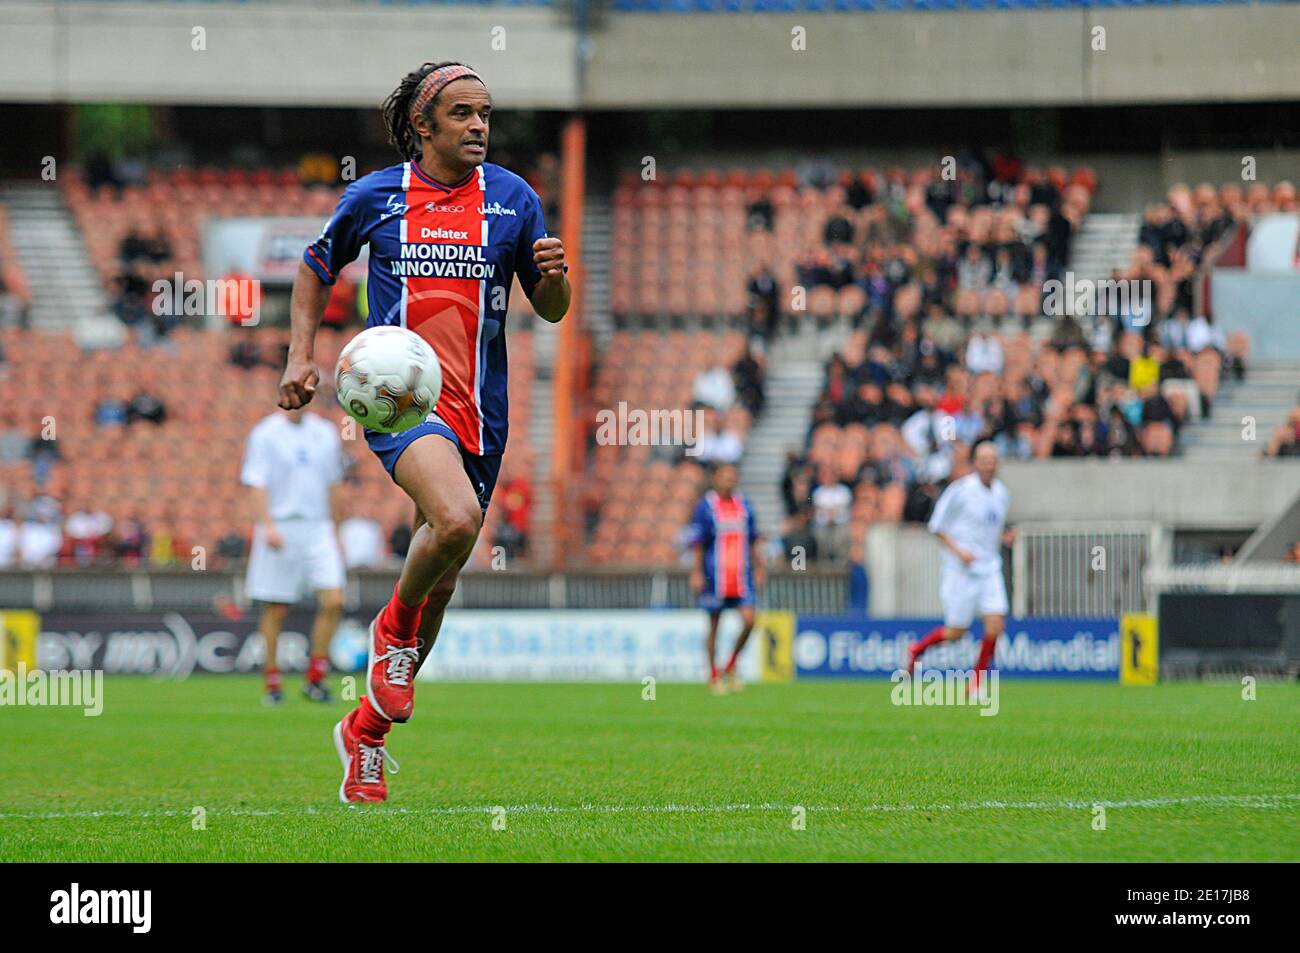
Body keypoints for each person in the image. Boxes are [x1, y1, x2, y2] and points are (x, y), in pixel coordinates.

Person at [277, 61, 570, 803]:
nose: (479, 126)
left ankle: (364, 734)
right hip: (397, 398)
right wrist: (300, 355)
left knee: (441, 579)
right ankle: (390, 629)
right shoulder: (376, 195)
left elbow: (554, 308)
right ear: (424, 124)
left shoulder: (514, 199)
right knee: (457, 518)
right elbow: (316, 267)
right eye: (463, 113)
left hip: (482, 412)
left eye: (486, 114)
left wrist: (557, 274)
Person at [240, 404, 347, 706]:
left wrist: (337, 532)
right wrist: (267, 525)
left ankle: (316, 677)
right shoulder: (265, 433)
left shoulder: (325, 432)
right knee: (276, 607)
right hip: (281, 524)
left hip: (318, 526)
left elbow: (334, 484)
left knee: (334, 600)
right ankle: (272, 681)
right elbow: (256, 483)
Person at [904, 441, 1015, 694]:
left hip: (989, 568)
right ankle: (916, 651)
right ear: (975, 462)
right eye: (984, 459)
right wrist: (959, 552)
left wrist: (1004, 537)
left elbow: (989, 529)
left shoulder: (1001, 493)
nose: (989, 464)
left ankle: (976, 680)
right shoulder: (960, 490)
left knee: (996, 623)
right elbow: (936, 527)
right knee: (956, 631)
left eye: (992, 459)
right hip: (961, 570)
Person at [686, 464, 765, 695]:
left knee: (750, 620)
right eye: (725, 477)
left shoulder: (745, 505)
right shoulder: (706, 507)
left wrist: (759, 568)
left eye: (733, 477)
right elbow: (699, 543)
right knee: (714, 626)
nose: (729, 481)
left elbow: (754, 538)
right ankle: (713, 675)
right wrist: (697, 572)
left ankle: (730, 665)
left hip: (742, 575)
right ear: (715, 479)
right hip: (715, 576)